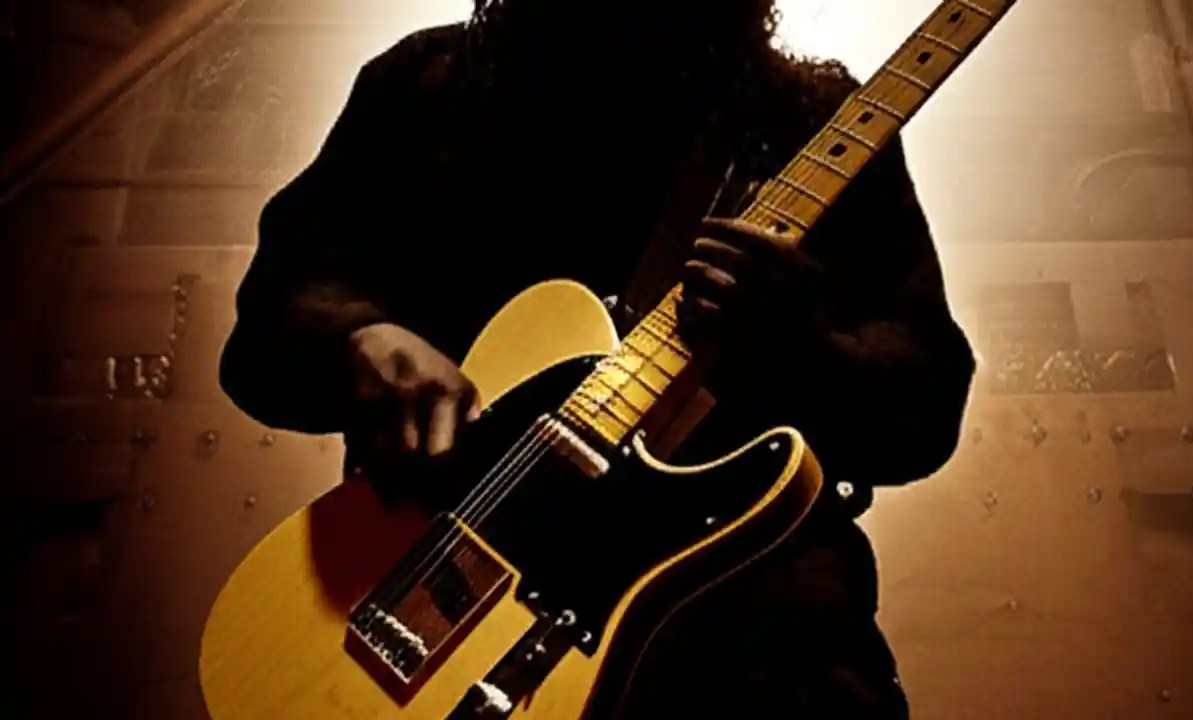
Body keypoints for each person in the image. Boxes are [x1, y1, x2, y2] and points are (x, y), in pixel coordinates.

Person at [220, 1, 975, 716]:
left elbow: (927, 406)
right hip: (431, 616)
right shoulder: (424, 88)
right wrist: (356, 337)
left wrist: (801, 351)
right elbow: (267, 327)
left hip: (756, 658)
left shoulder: (811, 122)